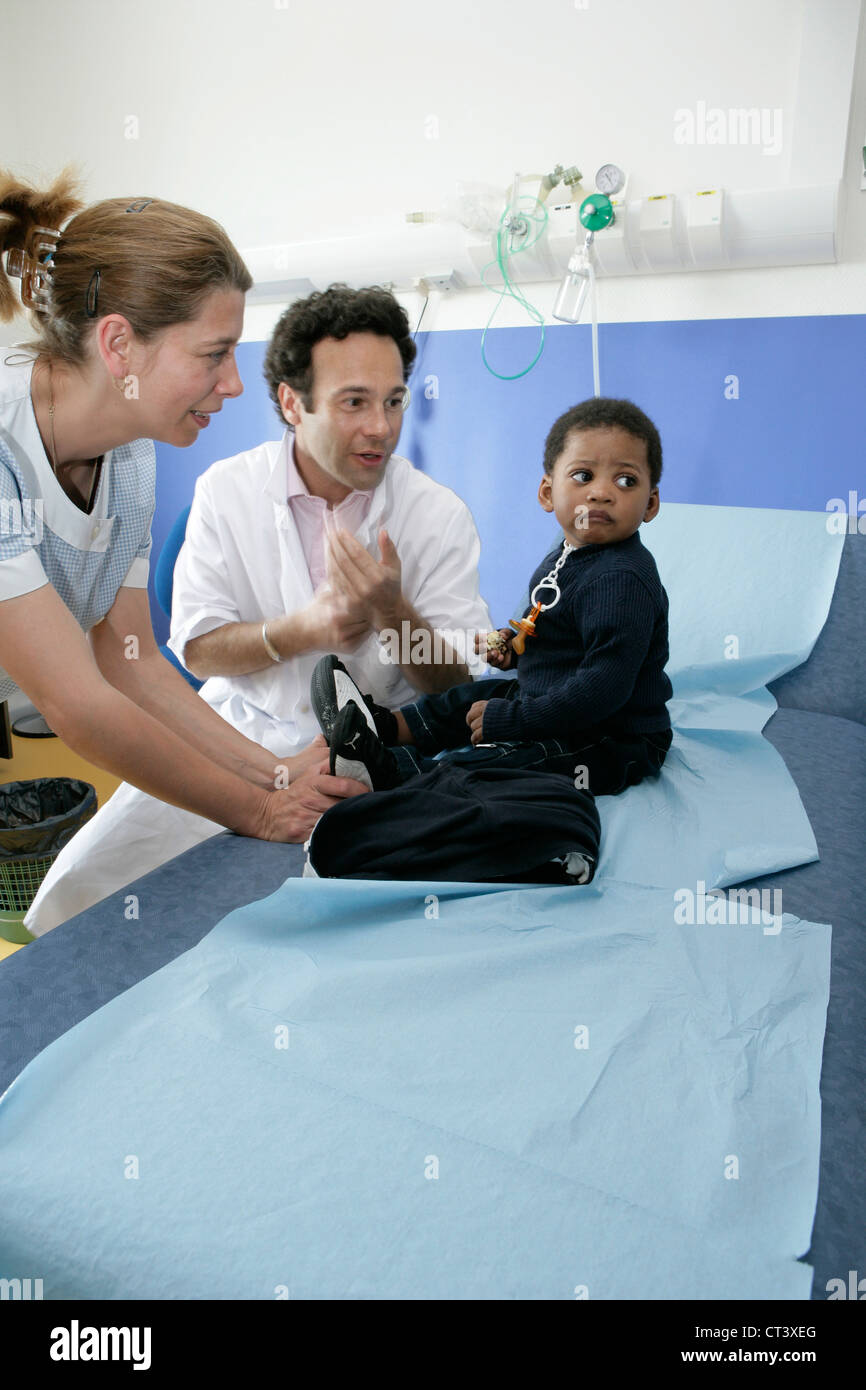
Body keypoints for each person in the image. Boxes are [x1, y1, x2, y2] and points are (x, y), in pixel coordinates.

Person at [24, 285, 491, 933]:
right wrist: (302, 631)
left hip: (371, 758)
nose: (381, 427)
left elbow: (461, 689)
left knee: (321, 930)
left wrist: (394, 612)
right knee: (81, 890)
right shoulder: (228, 492)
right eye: (354, 402)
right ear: (292, 403)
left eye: (393, 402)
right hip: (233, 734)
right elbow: (195, 648)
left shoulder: (436, 516)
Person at [0, 169, 367, 895]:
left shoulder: (131, 453)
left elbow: (129, 662)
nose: (234, 384)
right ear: (118, 346)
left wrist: (275, 769)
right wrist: (262, 809)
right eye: (213, 353)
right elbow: (78, 703)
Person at [312, 397, 674, 798]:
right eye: (584, 475)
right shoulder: (568, 555)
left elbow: (603, 687)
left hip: (612, 735)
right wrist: (512, 645)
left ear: (651, 504)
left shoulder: (624, 580)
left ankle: (396, 773)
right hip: (553, 699)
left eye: (625, 481)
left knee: (515, 762)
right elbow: (553, 632)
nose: (602, 493)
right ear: (547, 493)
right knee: (468, 698)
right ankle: (382, 728)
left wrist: (517, 721)